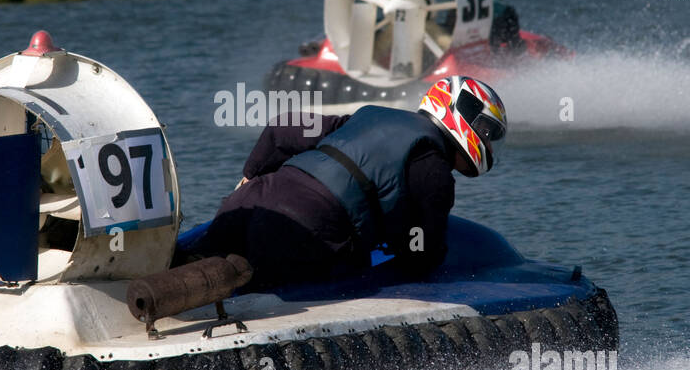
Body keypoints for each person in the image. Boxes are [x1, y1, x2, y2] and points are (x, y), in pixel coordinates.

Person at [185, 77, 507, 291]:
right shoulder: (435, 171)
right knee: (245, 279)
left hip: (252, 200)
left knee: (187, 264)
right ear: (460, 114)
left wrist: (249, 179)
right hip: (307, 226)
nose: (489, 147)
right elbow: (420, 256)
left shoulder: (367, 117)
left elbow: (281, 128)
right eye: (488, 133)